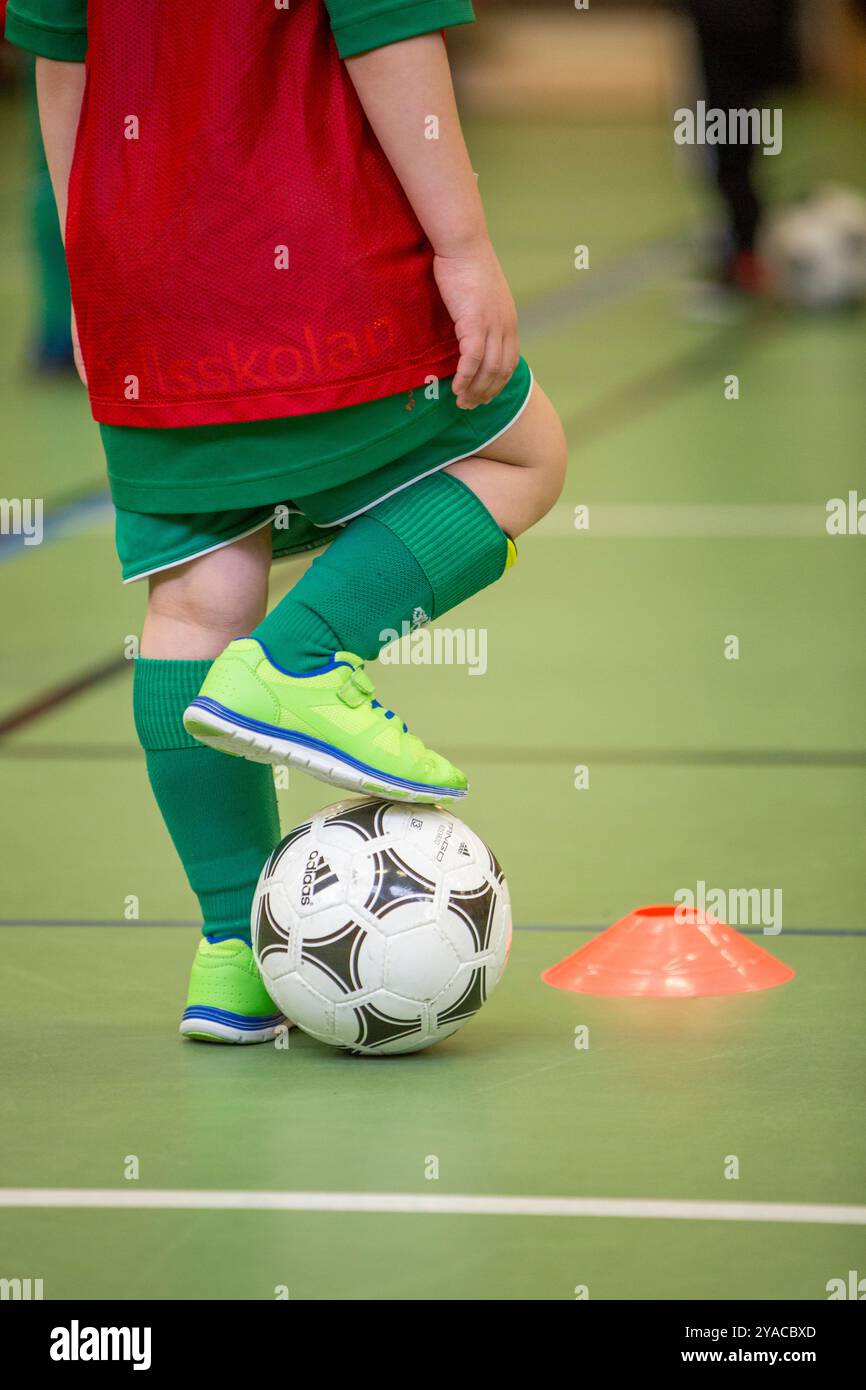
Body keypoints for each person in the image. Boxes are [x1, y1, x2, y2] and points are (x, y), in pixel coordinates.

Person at [6, 0, 566, 1042]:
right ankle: (304, 656)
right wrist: (463, 243)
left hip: (141, 266)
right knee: (521, 454)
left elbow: (58, 51)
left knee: (195, 594)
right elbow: (387, 29)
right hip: (312, 247)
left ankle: (231, 953)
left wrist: (89, 268)